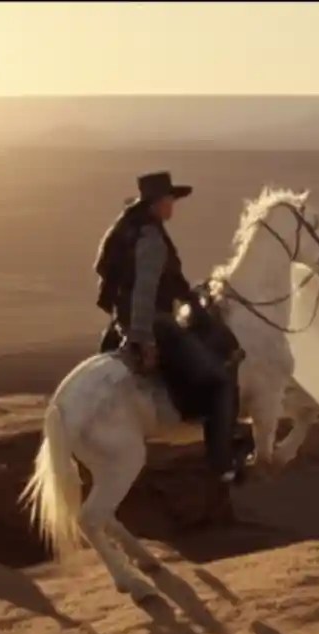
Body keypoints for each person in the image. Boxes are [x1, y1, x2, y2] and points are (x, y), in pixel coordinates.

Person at [92, 171, 250, 484]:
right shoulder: (150, 239)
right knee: (220, 379)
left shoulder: (128, 229)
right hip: (153, 323)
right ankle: (223, 464)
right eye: (169, 200)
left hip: (121, 319)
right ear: (156, 203)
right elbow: (145, 290)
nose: (172, 207)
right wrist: (142, 338)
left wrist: (191, 294)